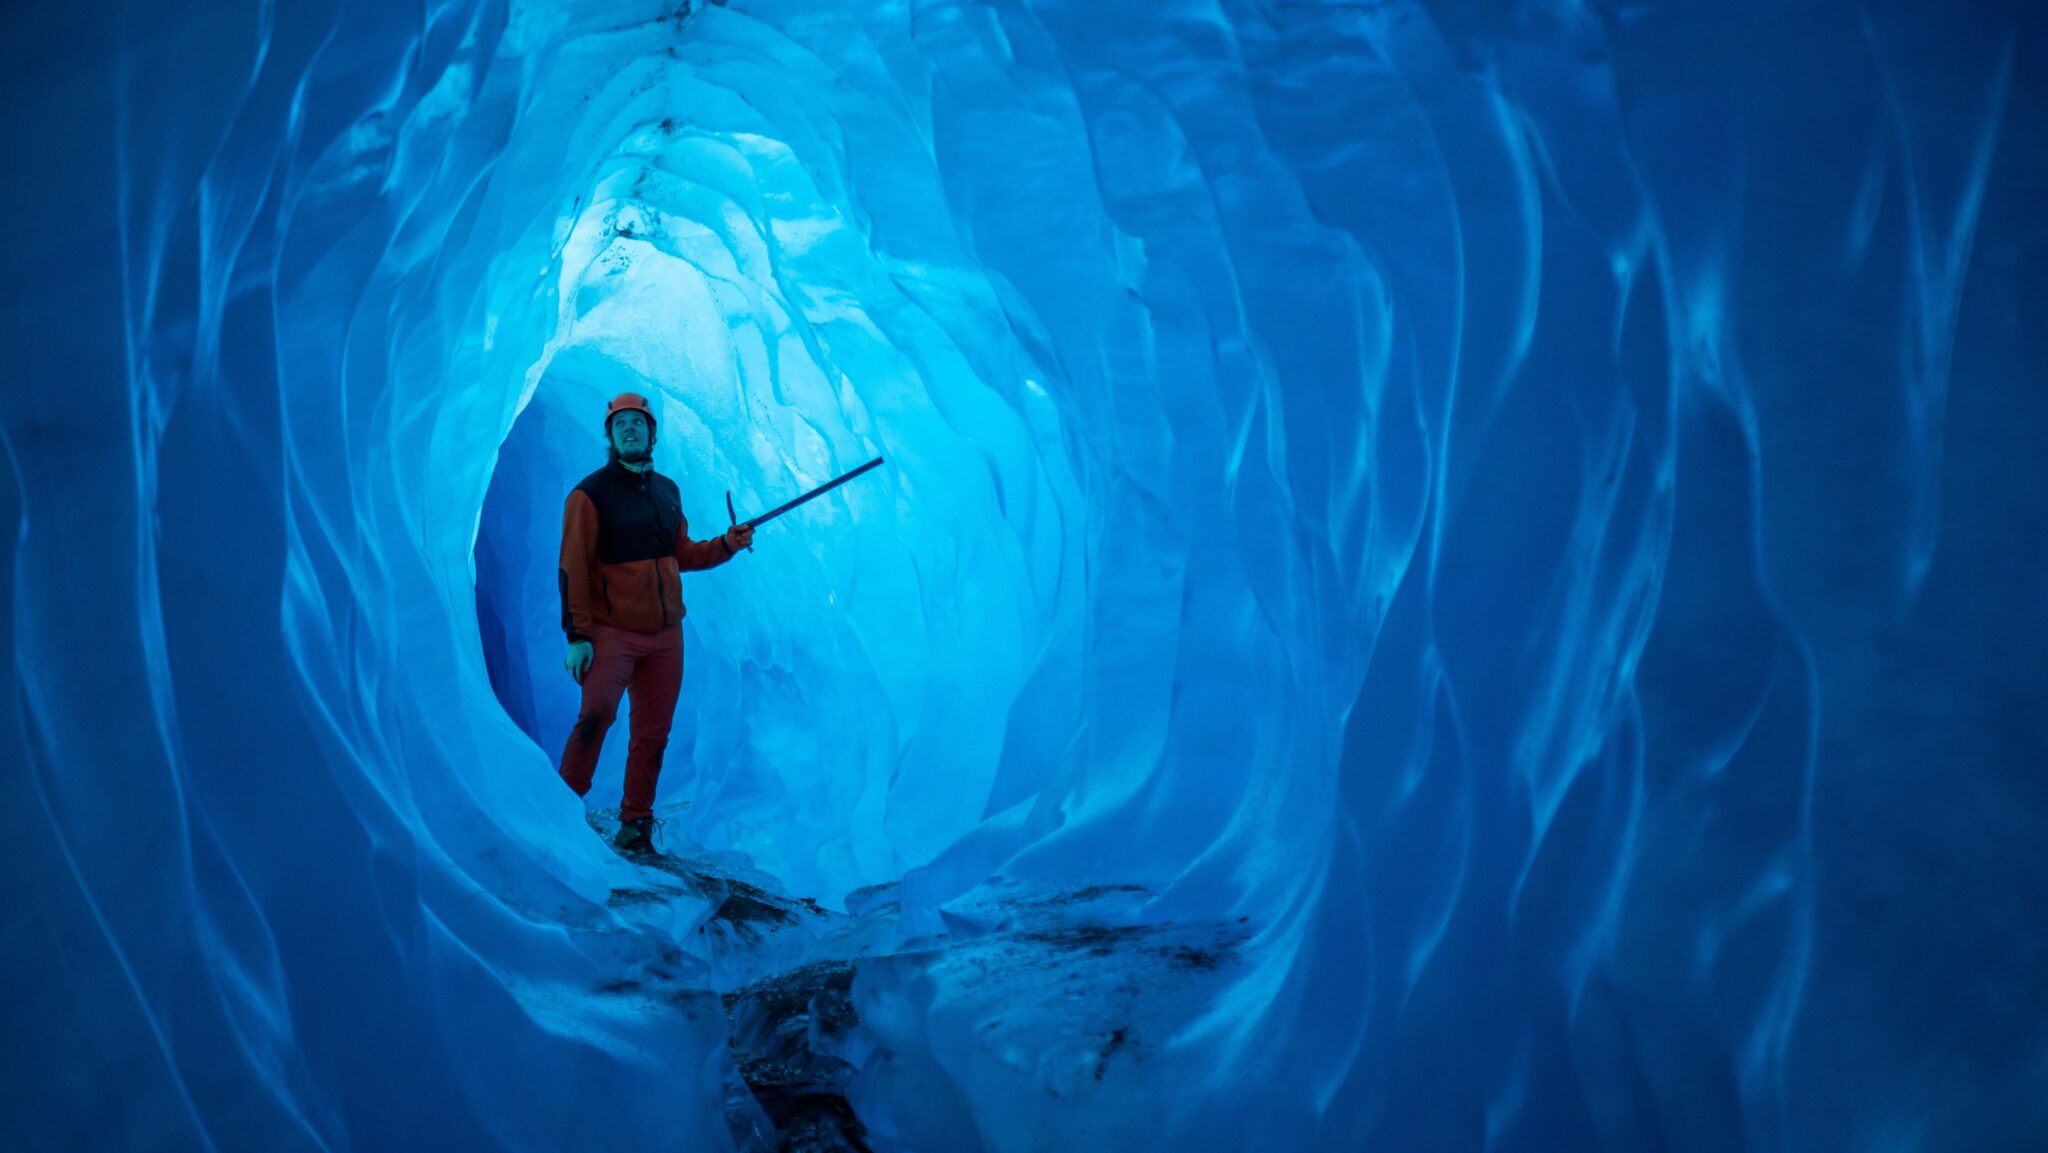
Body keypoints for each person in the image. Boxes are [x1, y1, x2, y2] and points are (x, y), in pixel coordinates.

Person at [556, 391, 753, 854]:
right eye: (620, 423)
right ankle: (560, 811)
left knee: (652, 735)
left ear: (651, 434)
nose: (629, 429)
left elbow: (681, 555)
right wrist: (579, 636)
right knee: (596, 715)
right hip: (611, 633)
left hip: (666, 638)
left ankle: (636, 825)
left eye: (638, 423)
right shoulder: (589, 495)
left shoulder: (667, 491)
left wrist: (726, 543)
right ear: (609, 435)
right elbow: (573, 568)